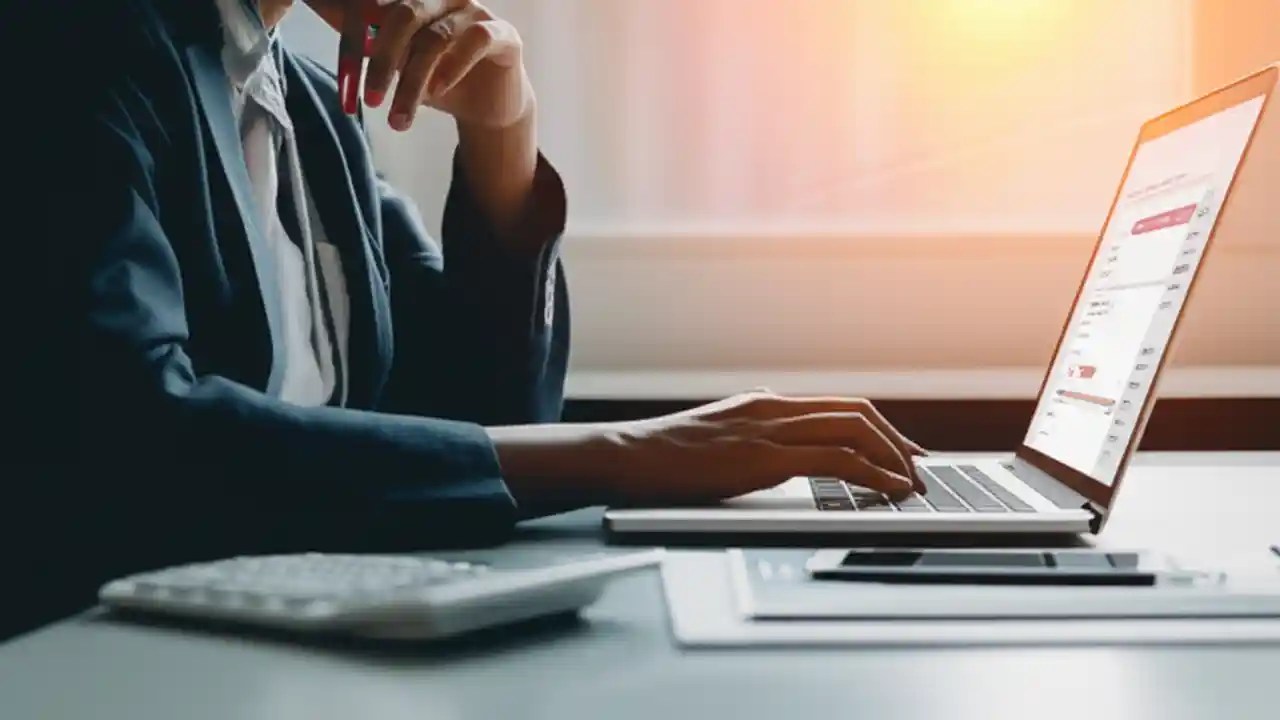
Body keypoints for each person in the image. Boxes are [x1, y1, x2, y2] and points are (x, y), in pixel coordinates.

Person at [8, 0, 926, 636]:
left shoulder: (304, 104)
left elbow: (475, 414)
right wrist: (640, 452)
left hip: (283, 623)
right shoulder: (73, 54)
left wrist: (500, 130)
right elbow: (132, 440)